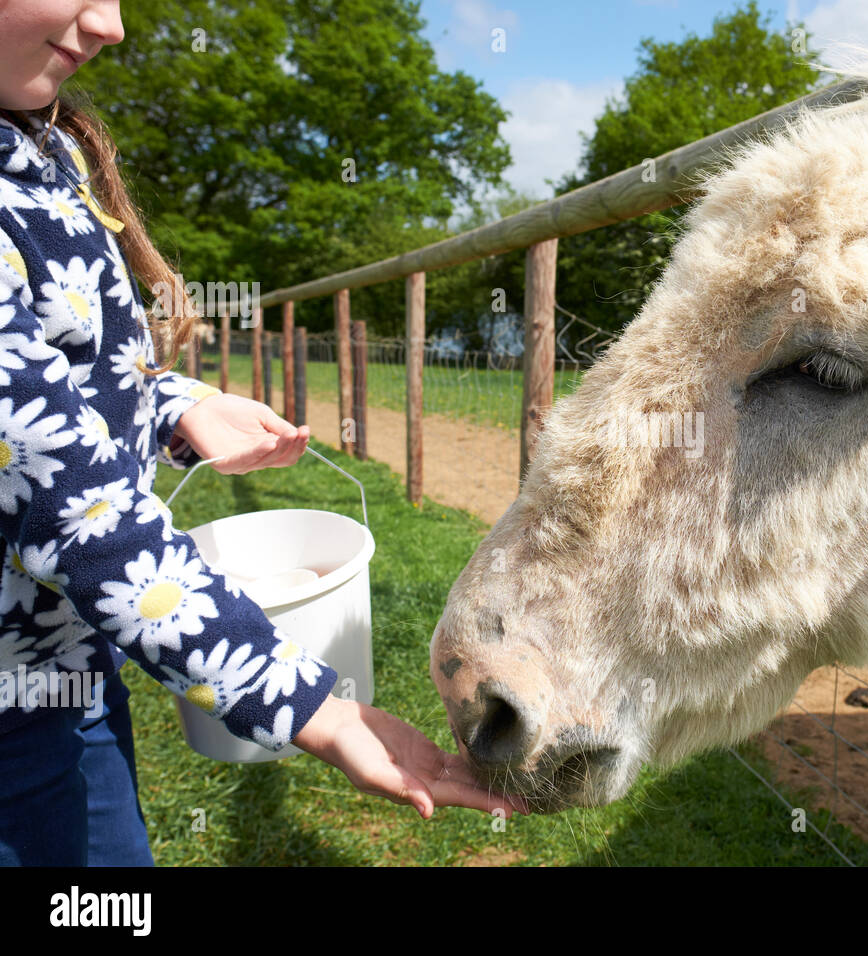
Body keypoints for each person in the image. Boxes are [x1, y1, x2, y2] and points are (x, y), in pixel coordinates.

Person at [0, 0, 523, 866]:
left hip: (69, 660)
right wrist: (314, 707)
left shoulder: (38, 145)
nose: (113, 25)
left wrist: (173, 406)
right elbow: (67, 505)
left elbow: (53, 387)